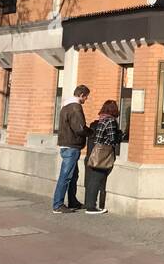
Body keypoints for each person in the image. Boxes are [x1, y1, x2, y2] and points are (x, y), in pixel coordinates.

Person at [53, 85, 91, 214]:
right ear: (81, 95)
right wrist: (90, 132)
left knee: (73, 175)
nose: (86, 99)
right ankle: (58, 204)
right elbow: (79, 128)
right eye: (86, 96)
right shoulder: (76, 107)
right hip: (72, 145)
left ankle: (73, 201)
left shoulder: (65, 106)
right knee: (66, 176)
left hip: (66, 144)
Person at [84, 100, 123, 215]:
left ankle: (89, 203)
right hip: (104, 153)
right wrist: (120, 135)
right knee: (97, 178)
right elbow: (112, 139)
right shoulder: (110, 120)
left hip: (96, 150)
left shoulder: (101, 118)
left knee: (93, 179)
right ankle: (91, 207)